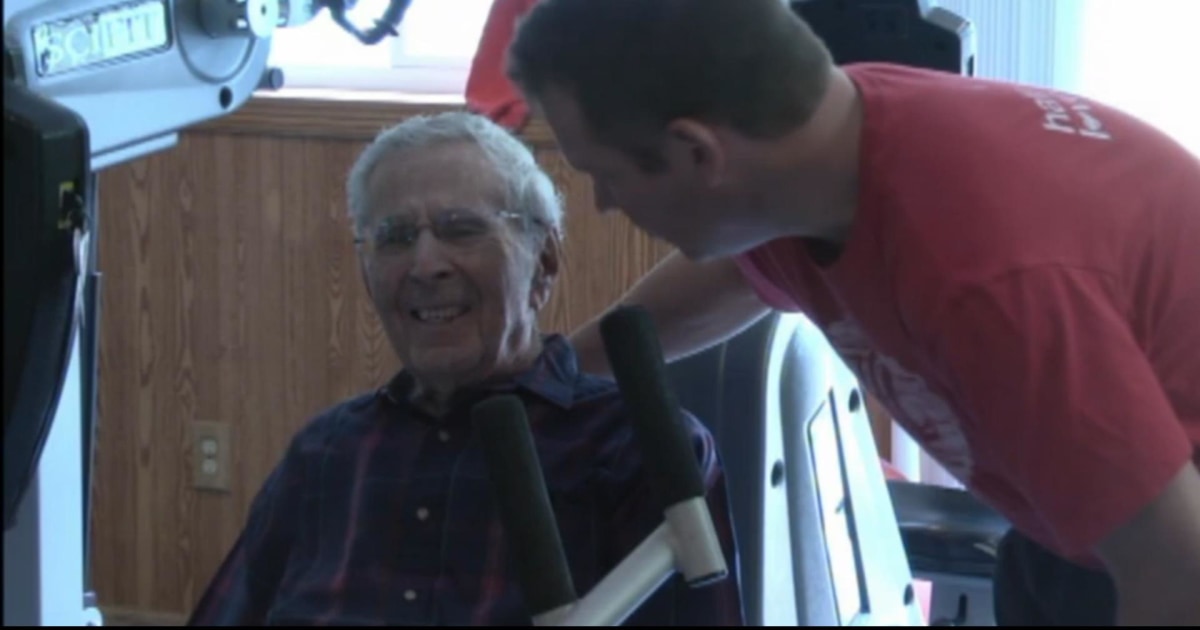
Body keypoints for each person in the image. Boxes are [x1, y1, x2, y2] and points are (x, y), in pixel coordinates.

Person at [499, 0, 1200, 626]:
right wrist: (559, 371)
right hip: (1078, 538)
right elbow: (734, 274)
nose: (604, 205)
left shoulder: (980, 275)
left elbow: (1177, 576)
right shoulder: (822, 154)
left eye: (605, 174)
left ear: (694, 152)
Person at [186, 111, 745, 626]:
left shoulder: (633, 452)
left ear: (544, 262)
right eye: (396, 238)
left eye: (462, 229)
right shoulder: (326, 453)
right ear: (366, 274)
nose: (426, 265)